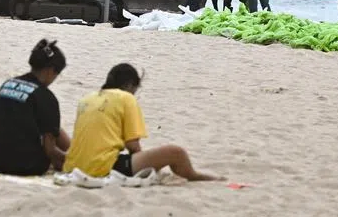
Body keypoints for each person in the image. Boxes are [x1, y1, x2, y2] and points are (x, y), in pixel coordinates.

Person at [62, 64, 222, 181]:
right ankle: (194, 176)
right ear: (129, 85)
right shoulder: (126, 98)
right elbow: (133, 146)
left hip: (72, 166)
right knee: (176, 153)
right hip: (101, 167)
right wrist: (145, 165)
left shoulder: (87, 99)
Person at [0, 39, 70, 176]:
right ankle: (76, 151)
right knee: (51, 127)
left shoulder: (9, 83)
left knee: (51, 125)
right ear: (50, 71)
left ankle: (74, 149)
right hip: (20, 165)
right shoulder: (46, 97)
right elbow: (50, 151)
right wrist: (72, 161)